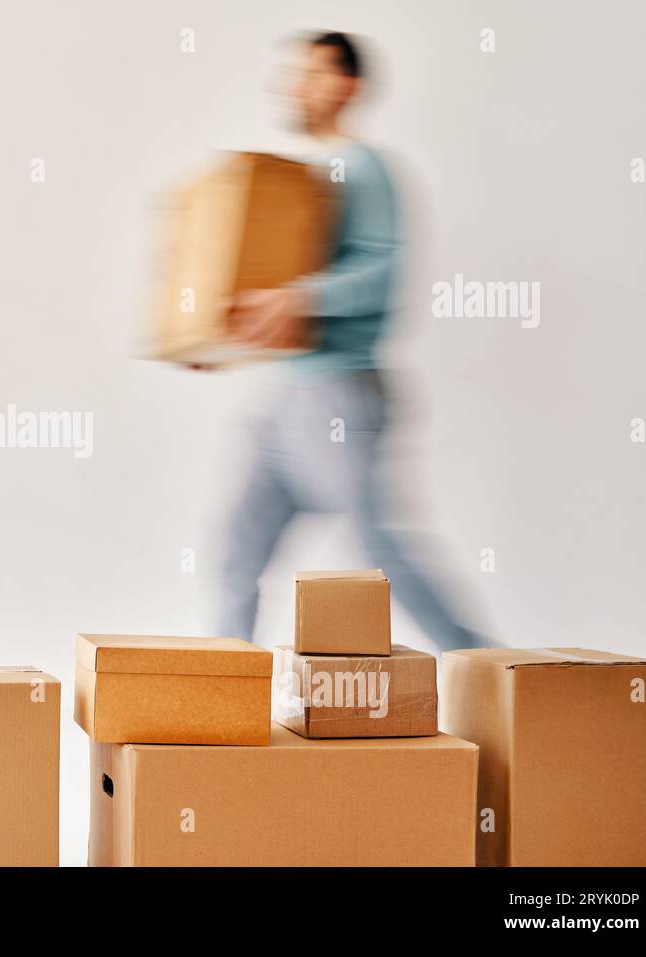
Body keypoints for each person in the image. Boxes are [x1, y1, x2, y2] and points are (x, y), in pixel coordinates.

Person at [214, 31, 481, 651]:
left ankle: (501, 679)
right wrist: (218, 340)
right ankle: (219, 709)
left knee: (379, 551)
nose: (296, 85)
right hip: (287, 398)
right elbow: (290, 303)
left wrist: (298, 298)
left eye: (313, 72)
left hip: (339, 395)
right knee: (234, 548)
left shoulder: (364, 168)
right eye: (292, 72)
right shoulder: (310, 184)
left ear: (349, 86)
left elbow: (382, 270)